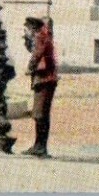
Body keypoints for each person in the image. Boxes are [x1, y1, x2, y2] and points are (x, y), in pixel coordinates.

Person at [21, 16, 58, 158]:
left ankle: (40, 146)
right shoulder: (44, 37)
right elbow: (33, 49)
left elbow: (36, 54)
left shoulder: (41, 36)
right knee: (42, 114)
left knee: (39, 113)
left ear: (33, 27)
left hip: (44, 79)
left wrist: (29, 67)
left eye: (28, 27)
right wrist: (26, 40)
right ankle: (39, 145)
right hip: (47, 79)